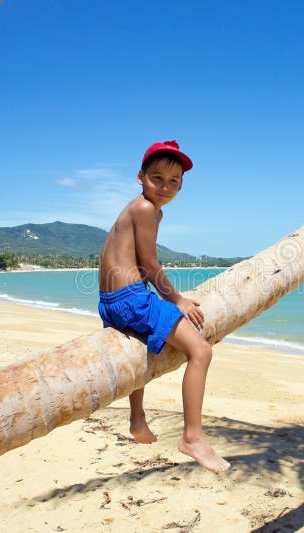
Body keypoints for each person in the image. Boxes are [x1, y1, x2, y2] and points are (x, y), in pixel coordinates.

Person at [97, 140, 230, 473]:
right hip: (130, 298)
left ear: (182, 184)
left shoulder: (146, 209)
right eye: (157, 177)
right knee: (201, 352)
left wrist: (161, 294)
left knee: (141, 348)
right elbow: (150, 262)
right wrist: (176, 298)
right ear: (140, 176)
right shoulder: (144, 209)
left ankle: (138, 419)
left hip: (112, 301)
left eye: (174, 181)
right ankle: (192, 437)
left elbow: (138, 264)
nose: (166, 186)